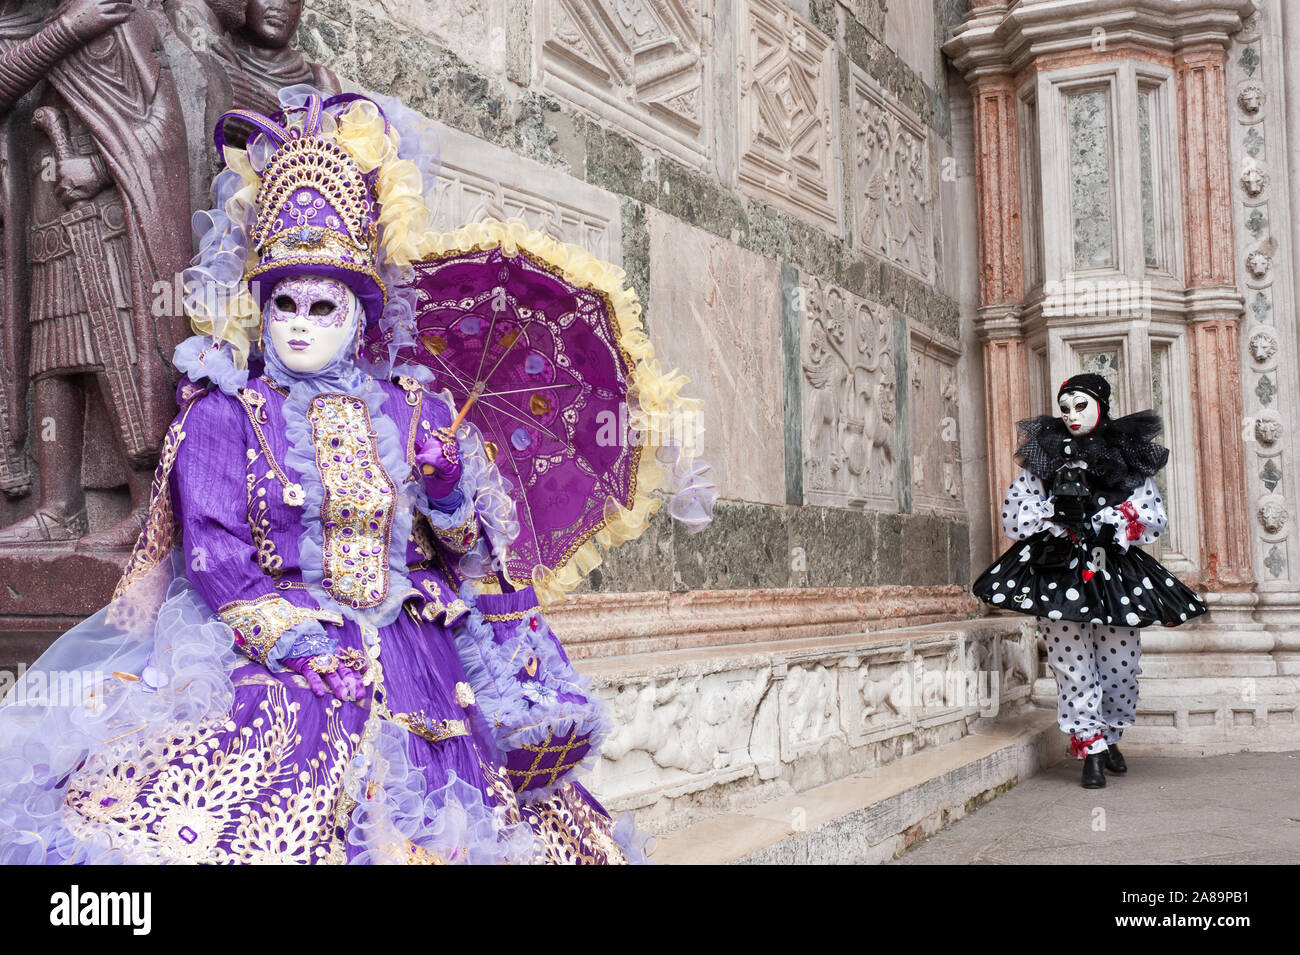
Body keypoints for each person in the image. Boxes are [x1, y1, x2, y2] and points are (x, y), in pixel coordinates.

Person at [0, 90, 650, 864]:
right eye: (284, 303)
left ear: (359, 315)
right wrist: (304, 647)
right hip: (278, 650)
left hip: (422, 652)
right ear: (262, 307)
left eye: (322, 304)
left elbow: (468, 557)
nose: (300, 321)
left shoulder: (410, 410)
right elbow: (214, 558)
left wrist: (445, 490)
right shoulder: (224, 413)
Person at [971, 373, 1207, 788]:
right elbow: (1014, 513)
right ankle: (1090, 746)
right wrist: (1054, 514)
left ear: (1101, 405)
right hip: (1057, 571)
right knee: (1071, 664)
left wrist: (1112, 522)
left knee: (1120, 667)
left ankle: (1110, 734)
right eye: (1065, 408)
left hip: (1113, 572)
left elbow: (1151, 515)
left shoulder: (1126, 456)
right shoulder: (1048, 456)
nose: (1072, 415)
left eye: (1080, 405)